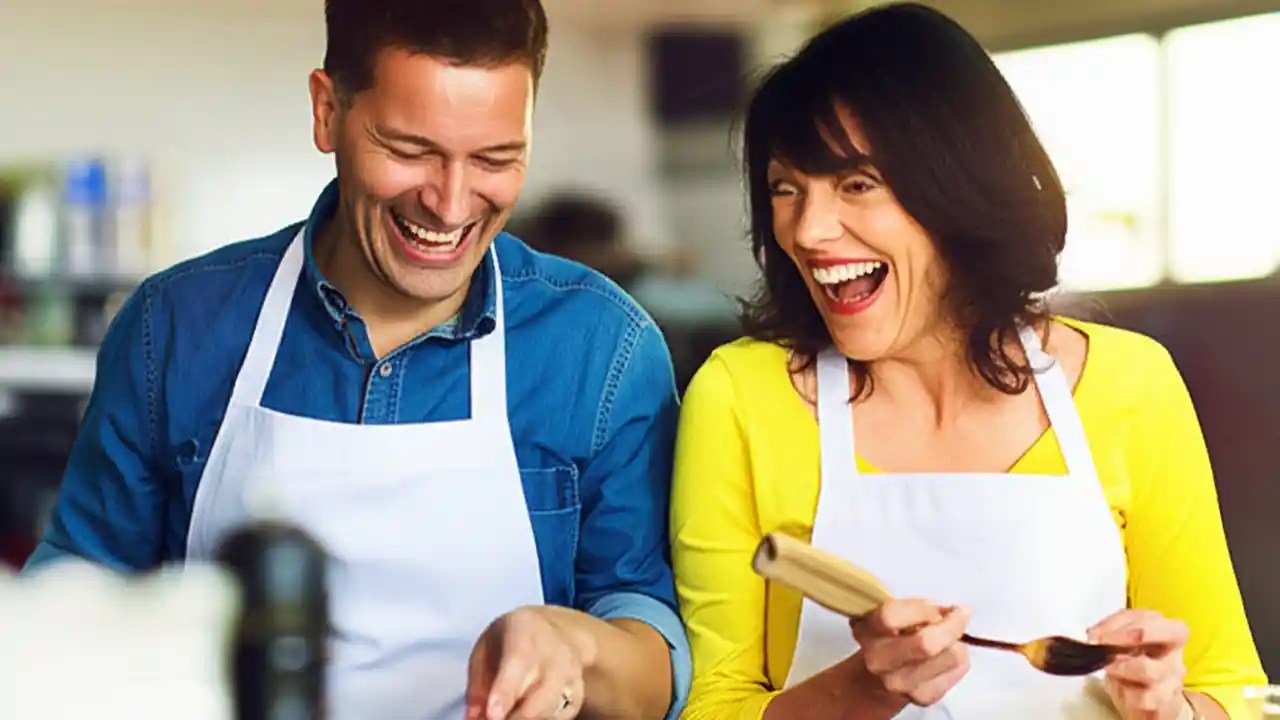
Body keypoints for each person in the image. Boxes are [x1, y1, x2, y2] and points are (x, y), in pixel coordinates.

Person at [24, 1, 691, 718]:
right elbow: (78, 601)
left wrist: (577, 647)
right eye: (410, 151)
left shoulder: (601, 348)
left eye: (496, 159)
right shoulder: (175, 329)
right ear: (326, 111)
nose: (451, 203)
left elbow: (652, 644)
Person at [669, 4, 1267, 720]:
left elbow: (1232, 687)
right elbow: (708, 705)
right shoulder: (740, 396)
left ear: (958, 188)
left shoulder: (1130, 383)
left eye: (857, 184)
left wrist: (1174, 711)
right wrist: (860, 692)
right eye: (785, 188)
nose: (808, 229)